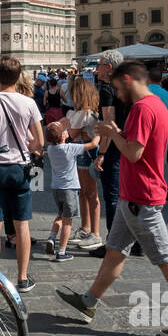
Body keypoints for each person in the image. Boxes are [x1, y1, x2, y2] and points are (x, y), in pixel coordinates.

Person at [57, 61, 168, 336]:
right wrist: (118, 131)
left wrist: (112, 132)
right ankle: (89, 301)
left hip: (141, 199)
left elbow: (134, 153)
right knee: (115, 252)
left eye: (117, 87)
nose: (117, 94)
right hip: (134, 197)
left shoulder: (142, 109)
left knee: (166, 260)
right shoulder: (158, 105)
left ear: (127, 80)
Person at [0, 55, 44, 292]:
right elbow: (39, 142)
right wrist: (27, 148)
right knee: (22, 223)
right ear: (18, 76)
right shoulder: (29, 104)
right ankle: (23, 278)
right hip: (20, 168)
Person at [90, 49, 130, 258]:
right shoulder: (127, 84)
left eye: (100, 64)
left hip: (114, 147)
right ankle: (137, 242)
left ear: (109, 68)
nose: (97, 68)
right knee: (128, 195)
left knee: (112, 196)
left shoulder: (107, 88)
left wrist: (102, 153)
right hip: (129, 143)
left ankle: (113, 245)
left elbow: (109, 123)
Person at [44, 122, 99, 260]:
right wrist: (99, 134)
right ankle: (61, 252)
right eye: (65, 131)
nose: (67, 131)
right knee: (67, 222)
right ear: (63, 137)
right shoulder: (70, 148)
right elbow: (92, 145)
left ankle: (51, 237)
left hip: (56, 188)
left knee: (60, 215)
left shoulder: (50, 149)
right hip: (69, 189)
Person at [62, 74, 103, 249]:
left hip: (87, 152)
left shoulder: (83, 114)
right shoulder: (86, 112)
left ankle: (95, 233)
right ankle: (86, 228)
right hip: (84, 151)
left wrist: (64, 123)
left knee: (91, 193)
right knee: (84, 192)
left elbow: (71, 133)